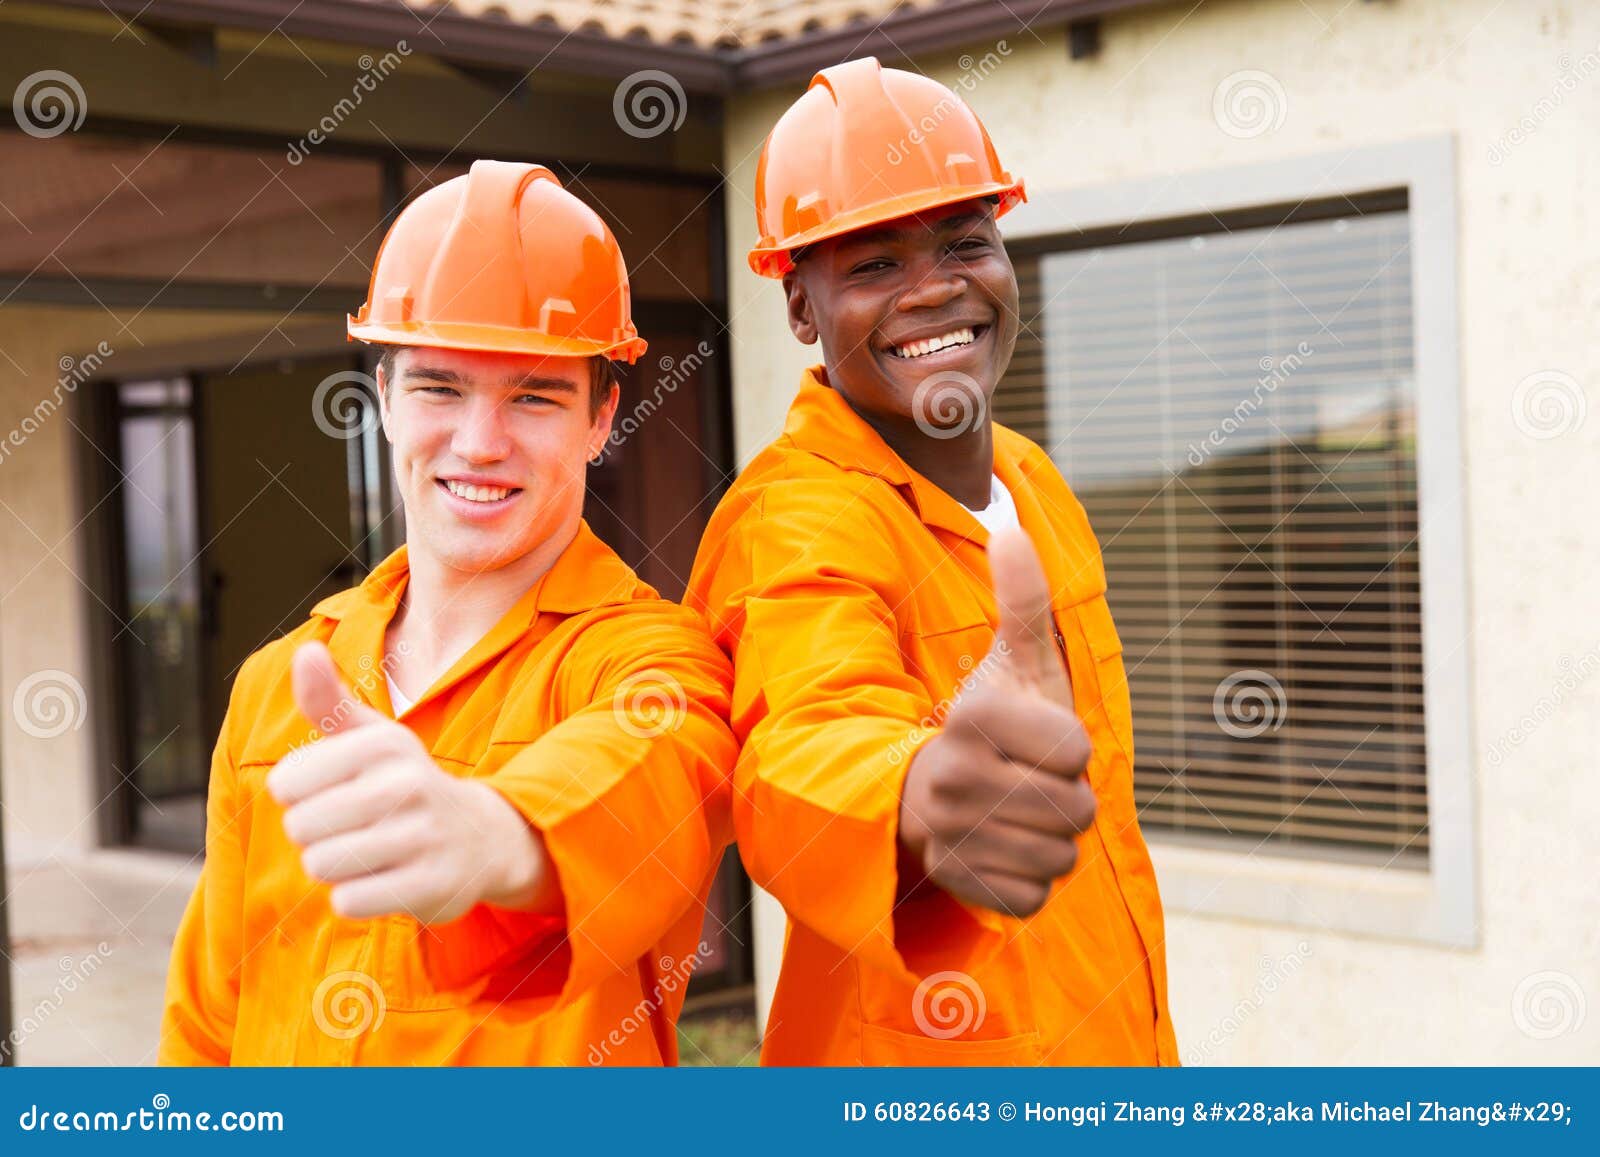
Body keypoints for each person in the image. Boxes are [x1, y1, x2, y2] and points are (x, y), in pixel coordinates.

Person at [161, 160, 735, 1065]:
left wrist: (501, 836)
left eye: (535, 395)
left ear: (601, 418)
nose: (479, 443)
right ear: (383, 400)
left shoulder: (652, 662)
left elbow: (651, 776)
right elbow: (207, 1019)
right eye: (439, 387)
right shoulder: (279, 683)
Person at [686, 59, 1177, 1065]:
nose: (936, 288)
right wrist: (912, 794)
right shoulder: (796, 518)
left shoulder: (1032, 480)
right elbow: (803, 733)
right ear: (800, 309)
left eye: (966, 243)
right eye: (873, 266)